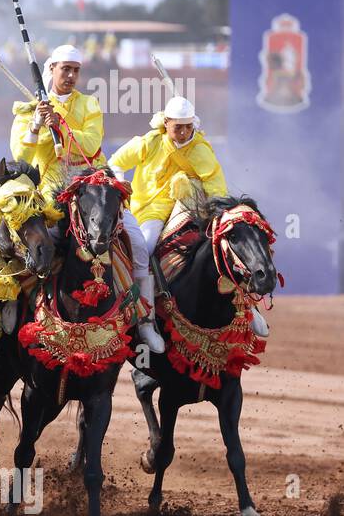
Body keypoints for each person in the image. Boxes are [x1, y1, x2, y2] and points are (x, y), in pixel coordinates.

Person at [10, 44, 164, 352]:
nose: (70, 75)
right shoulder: (29, 108)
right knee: (26, 243)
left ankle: (145, 321)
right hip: (52, 193)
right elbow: (20, 155)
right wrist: (38, 124)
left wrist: (61, 127)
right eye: (64, 69)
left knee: (136, 242)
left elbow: (92, 143)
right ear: (51, 70)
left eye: (75, 70)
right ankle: (13, 307)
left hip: (92, 187)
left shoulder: (89, 104)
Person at [110, 95, 264, 337]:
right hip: (152, 208)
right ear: (166, 124)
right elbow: (115, 163)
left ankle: (247, 306)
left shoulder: (201, 150)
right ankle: (145, 319)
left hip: (194, 208)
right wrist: (122, 187)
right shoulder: (149, 143)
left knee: (225, 246)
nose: (183, 133)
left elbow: (216, 189)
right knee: (146, 247)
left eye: (188, 127)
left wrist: (218, 216)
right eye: (177, 127)